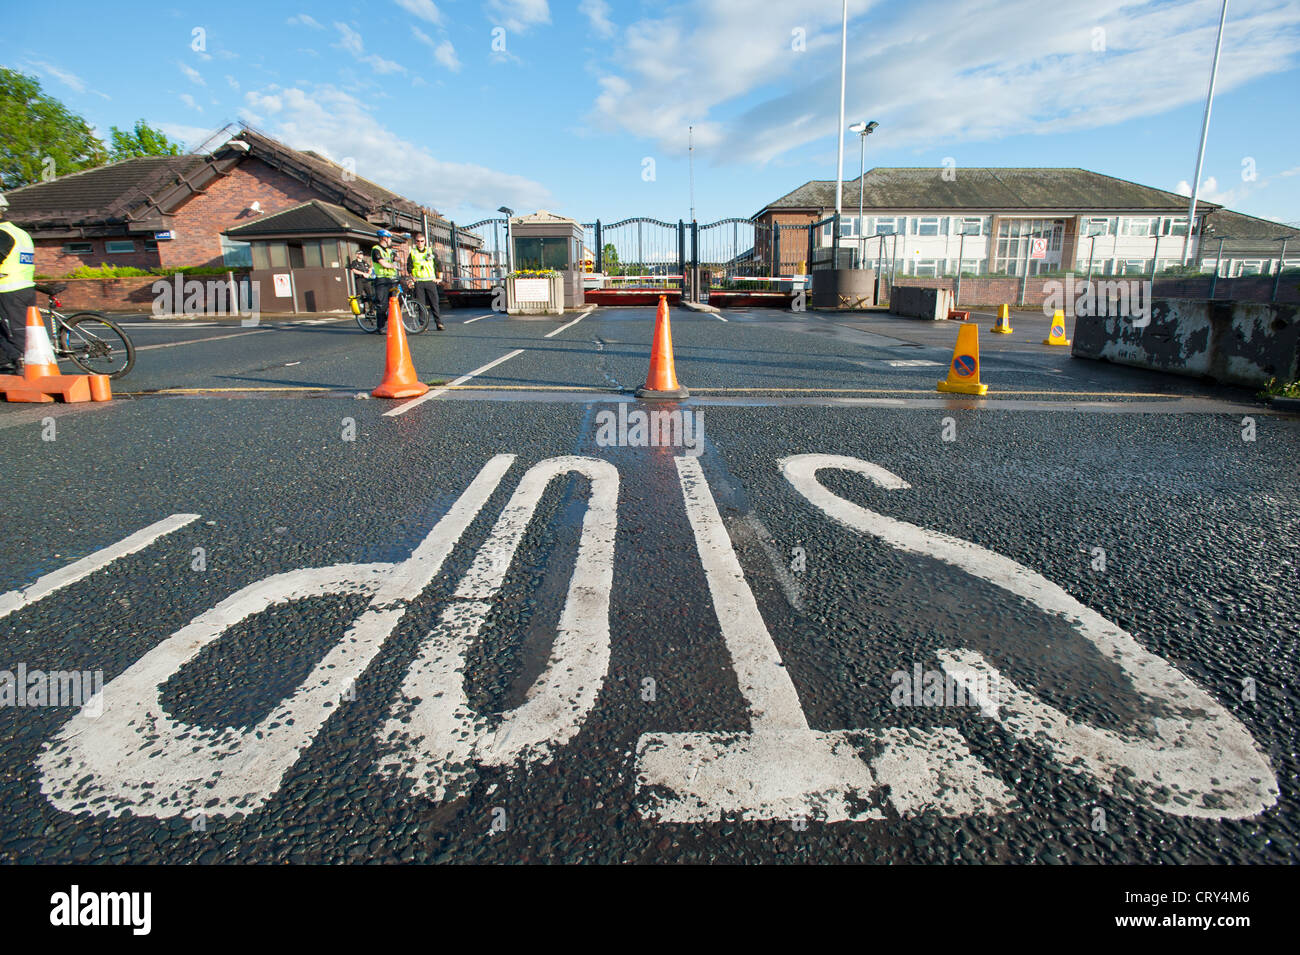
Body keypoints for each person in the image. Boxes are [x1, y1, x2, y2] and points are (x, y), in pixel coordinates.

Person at [0, 193, 36, 375]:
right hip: (25, 286)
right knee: (21, 327)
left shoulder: (3, 234)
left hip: (8, 288)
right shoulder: (20, 232)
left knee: (14, 330)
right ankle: (6, 362)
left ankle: (23, 362)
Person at [407, 232, 445, 331]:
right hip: (419, 282)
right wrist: (412, 277)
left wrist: (439, 278)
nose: (420, 243)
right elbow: (409, 267)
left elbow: (438, 264)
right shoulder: (412, 253)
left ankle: (439, 323)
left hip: (430, 281)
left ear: (425, 242)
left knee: (434, 303)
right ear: (415, 242)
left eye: (422, 241)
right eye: (418, 241)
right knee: (421, 304)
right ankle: (423, 325)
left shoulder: (430, 251)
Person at [370, 229, 400, 329]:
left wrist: (398, 258)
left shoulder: (389, 250)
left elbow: (397, 258)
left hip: (391, 279)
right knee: (382, 304)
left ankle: (392, 323)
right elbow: (382, 263)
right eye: (389, 238)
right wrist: (393, 266)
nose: (391, 240)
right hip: (381, 279)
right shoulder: (376, 249)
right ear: (384, 238)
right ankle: (380, 327)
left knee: (393, 301)